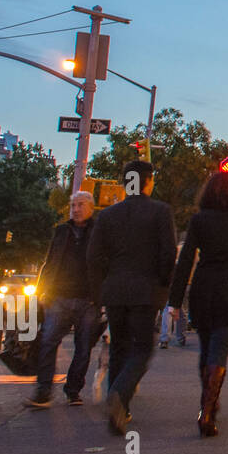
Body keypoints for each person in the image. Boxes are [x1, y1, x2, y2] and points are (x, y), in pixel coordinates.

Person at [168, 171, 228, 437]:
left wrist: (174, 301)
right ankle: (207, 411)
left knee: (206, 346)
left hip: (204, 288)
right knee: (220, 349)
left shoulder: (199, 220)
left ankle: (208, 401)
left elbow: (186, 260)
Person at [86, 159, 176, 435]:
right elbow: (168, 254)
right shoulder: (160, 212)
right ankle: (119, 395)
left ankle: (120, 408)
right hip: (145, 291)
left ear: (126, 183)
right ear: (148, 181)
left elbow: (93, 257)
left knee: (119, 348)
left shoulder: (107, 216)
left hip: (114, 290)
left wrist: (100, 289)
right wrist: (162, 285)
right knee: (141, 348)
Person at [25, 191, 99, 408]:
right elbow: (49, 262)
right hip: (59, 297)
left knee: (84, 347)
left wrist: (101, 296)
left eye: (81, 205)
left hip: (88, 299)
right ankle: (43, 390)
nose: (76, 209)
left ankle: (73, 390)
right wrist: (42, 291)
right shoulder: (61, 231)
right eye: (73, 205)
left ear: (91, 208)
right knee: (48, 341)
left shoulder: (99, 233)